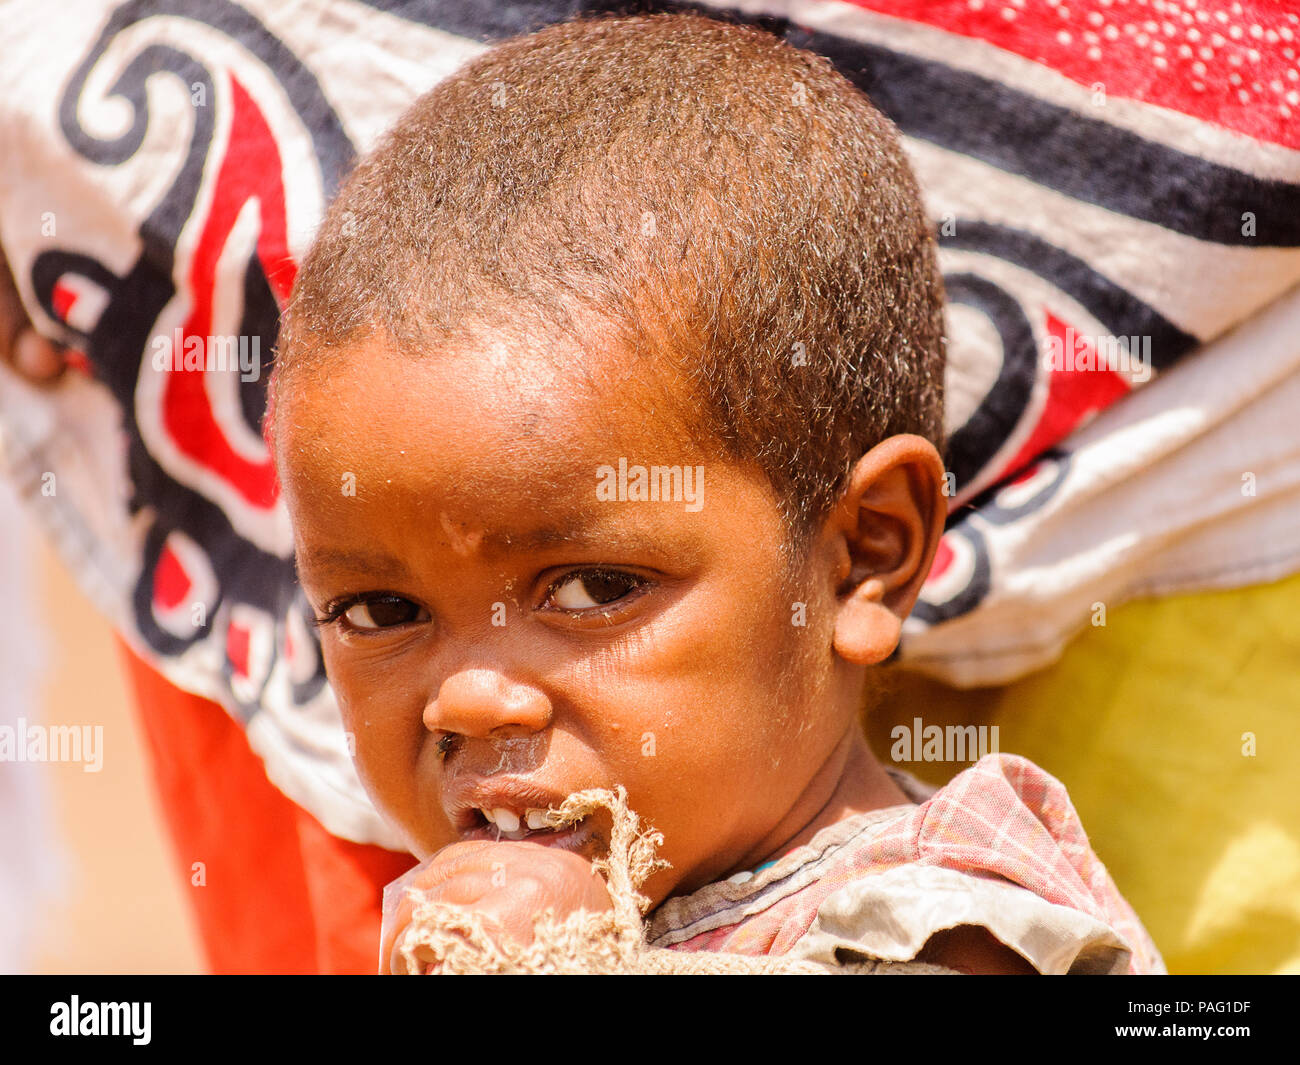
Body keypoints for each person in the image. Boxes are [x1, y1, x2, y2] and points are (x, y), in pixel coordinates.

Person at [268, 13, 1163, 975]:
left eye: (591, 587)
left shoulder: (943, 925)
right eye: (380, 608)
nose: (470, 700)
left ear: (861, 556)